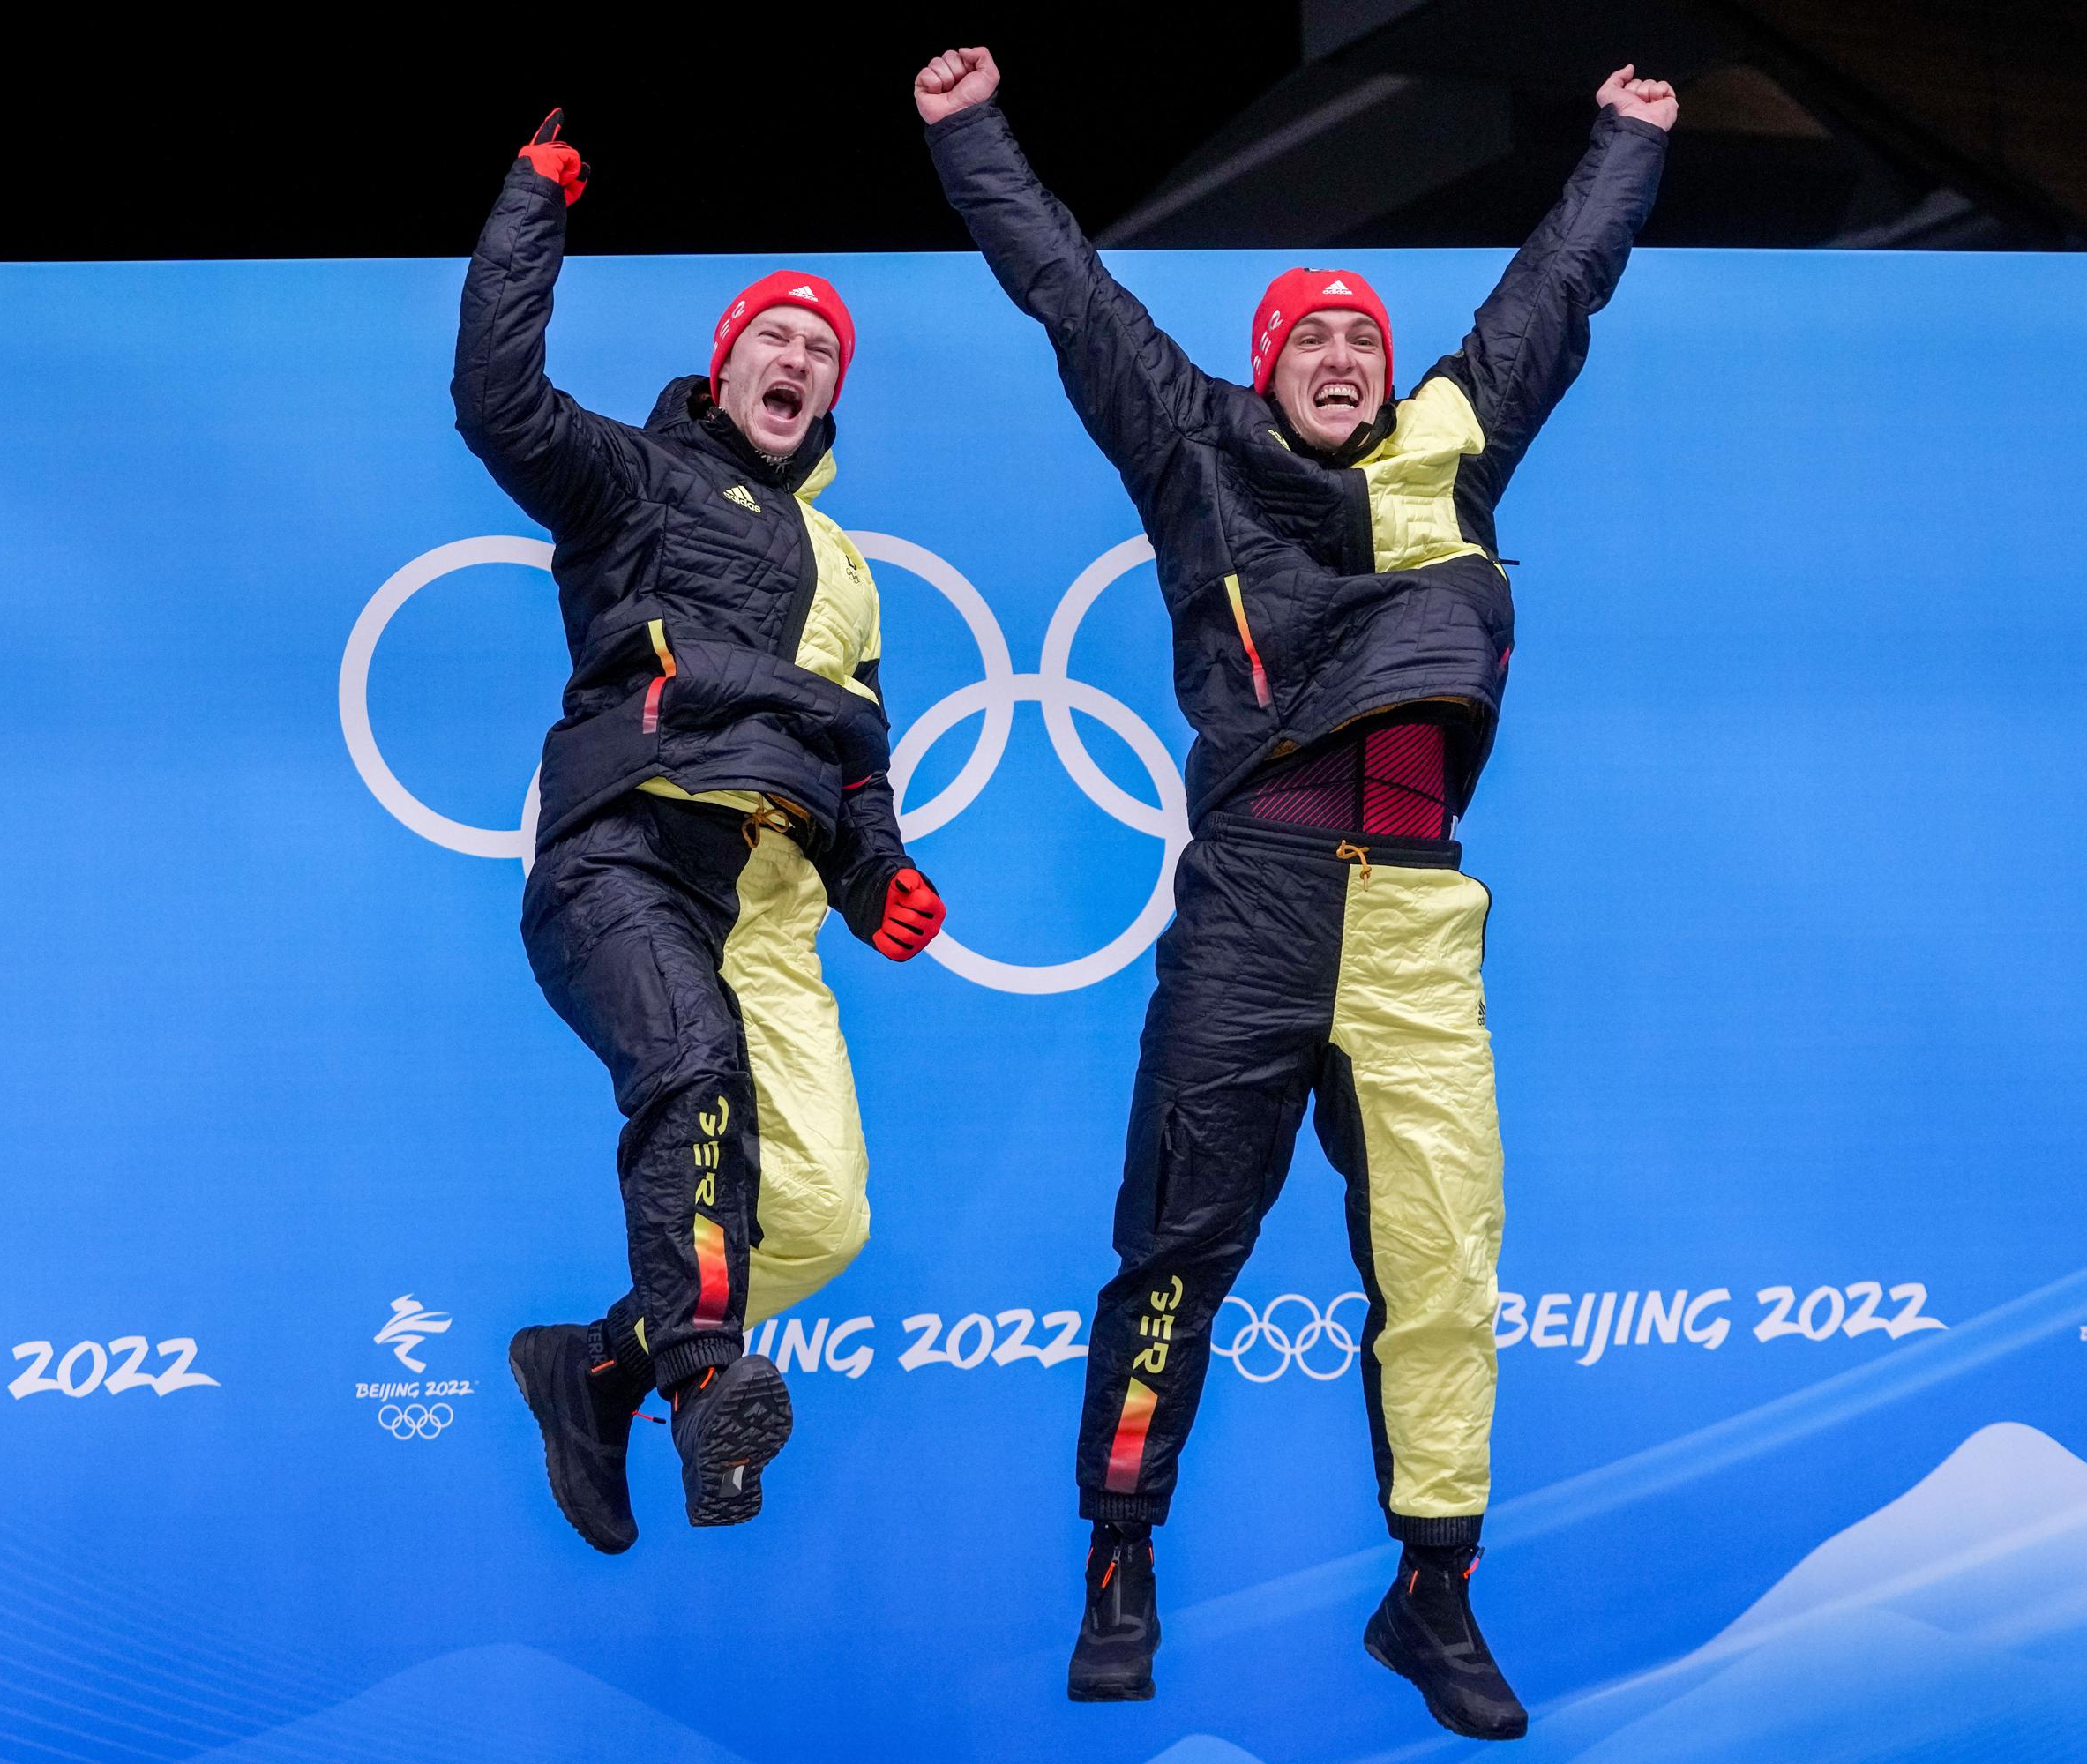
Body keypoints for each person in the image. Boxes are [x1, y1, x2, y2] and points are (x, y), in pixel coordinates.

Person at [915, 48, 1673, 1738]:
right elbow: (1070, 292)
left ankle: (1435, 1590)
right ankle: (1121, 1554)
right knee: (1176, 1247)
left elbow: (1555, 290)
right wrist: (972, 132)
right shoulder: (1196, 448)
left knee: (1444, 1264)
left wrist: (1624, 140)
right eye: (1310, 337)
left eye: (1363, 341)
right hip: (1256, 900)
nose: (1342, 356)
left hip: (1415, 911)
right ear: (1268, 368)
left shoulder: (1453, 445)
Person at [454, 112, 947, 1549]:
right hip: (625, 850)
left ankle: (596, 1367)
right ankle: (701, 1377)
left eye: (821, 351)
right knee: (694, 1068)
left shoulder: (849, 566)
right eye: (773, 339)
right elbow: (496, 399)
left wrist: (877, 872)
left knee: (823, 1211)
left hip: (767, 905)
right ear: (723, 368)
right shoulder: (632, 476)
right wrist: (530, 206)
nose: (797, 359)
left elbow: (857, 755)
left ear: (832, 395)